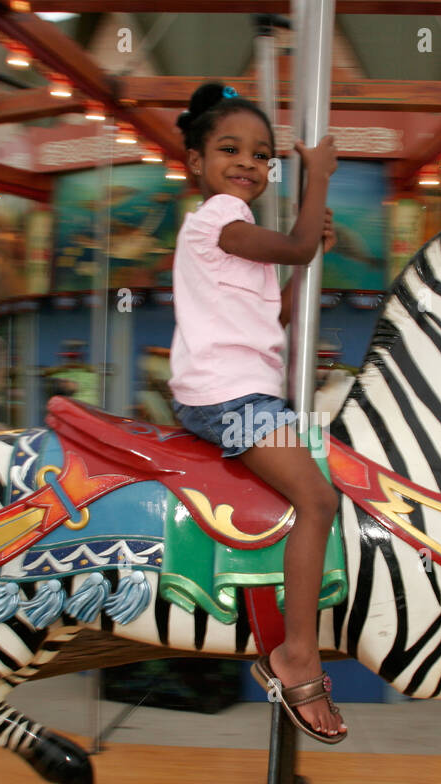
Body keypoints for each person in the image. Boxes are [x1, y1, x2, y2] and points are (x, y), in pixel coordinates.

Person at [169, 82, 346, 743]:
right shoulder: (218, 217)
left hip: (245, 390)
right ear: (196, 161)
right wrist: (318, 182)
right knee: (318, 499)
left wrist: (307, 248)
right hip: (227, 396)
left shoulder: (236, 235)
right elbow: (298, 244)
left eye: (261, 154)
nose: (247, 163)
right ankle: (296, 652)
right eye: (229, 149)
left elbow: (278, 313)